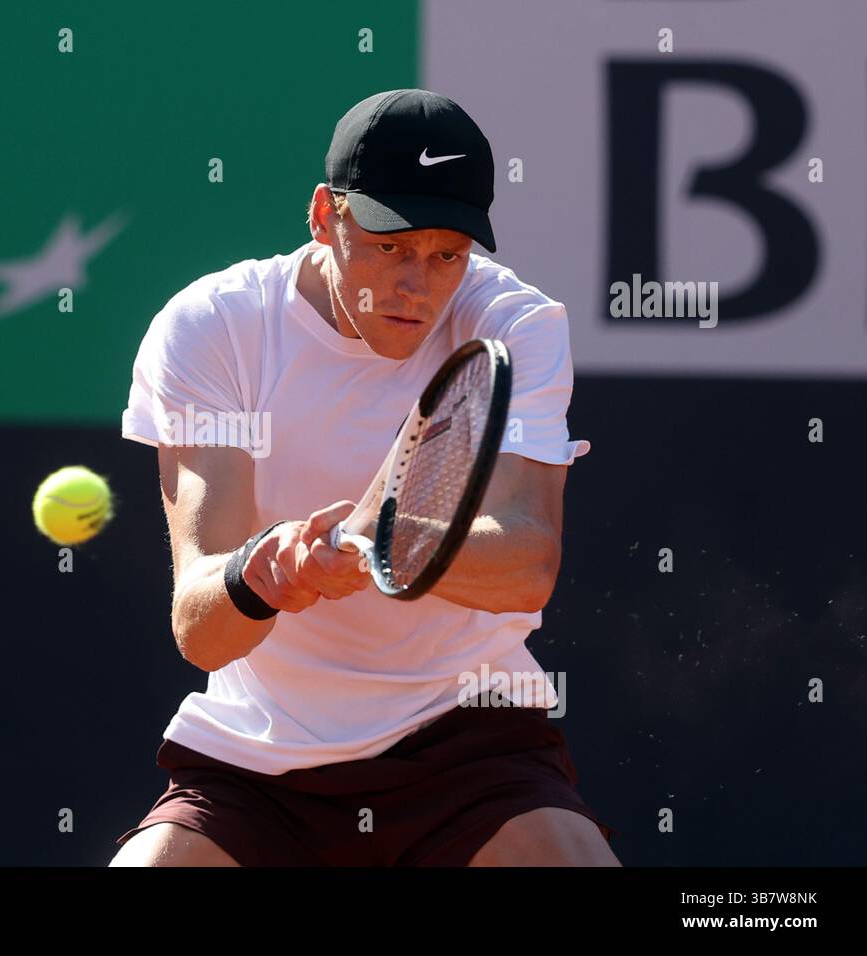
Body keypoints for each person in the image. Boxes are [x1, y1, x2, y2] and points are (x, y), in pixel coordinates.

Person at [110, 89, 618, 866]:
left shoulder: (517, 326)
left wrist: (385, 542)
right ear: (324, 215)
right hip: (259, 761)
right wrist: (266, 572)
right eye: (391, 245)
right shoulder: (212, 328)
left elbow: (527, 566)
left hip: (468, 740)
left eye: (448, 253)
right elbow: (202, 631)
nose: (418, 283)